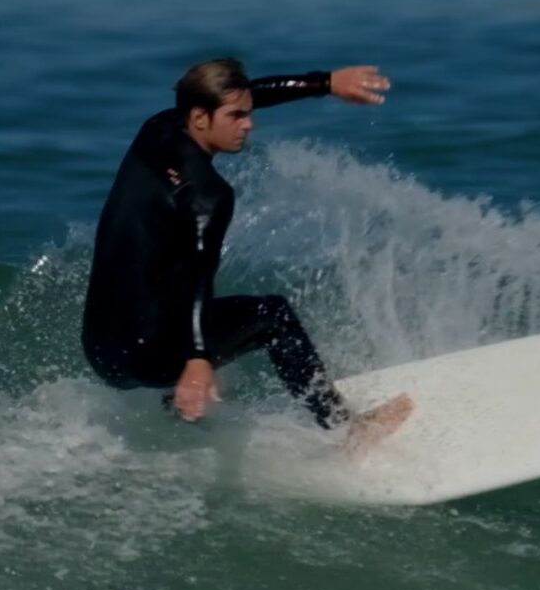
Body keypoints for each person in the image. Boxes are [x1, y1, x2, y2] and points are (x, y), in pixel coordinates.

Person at [80, 58, 412, 450]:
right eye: (237, 117)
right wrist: (199, 358)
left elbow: (246, 96)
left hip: (101, 351)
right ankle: (348, 431)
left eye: (248, 113)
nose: (249, 124)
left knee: (161, 277)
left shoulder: (156, 131)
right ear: (201, 118)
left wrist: (326, 83)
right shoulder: (210, 195)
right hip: (147, 357)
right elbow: (200, 274)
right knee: (273, 316)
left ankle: (178, 405)